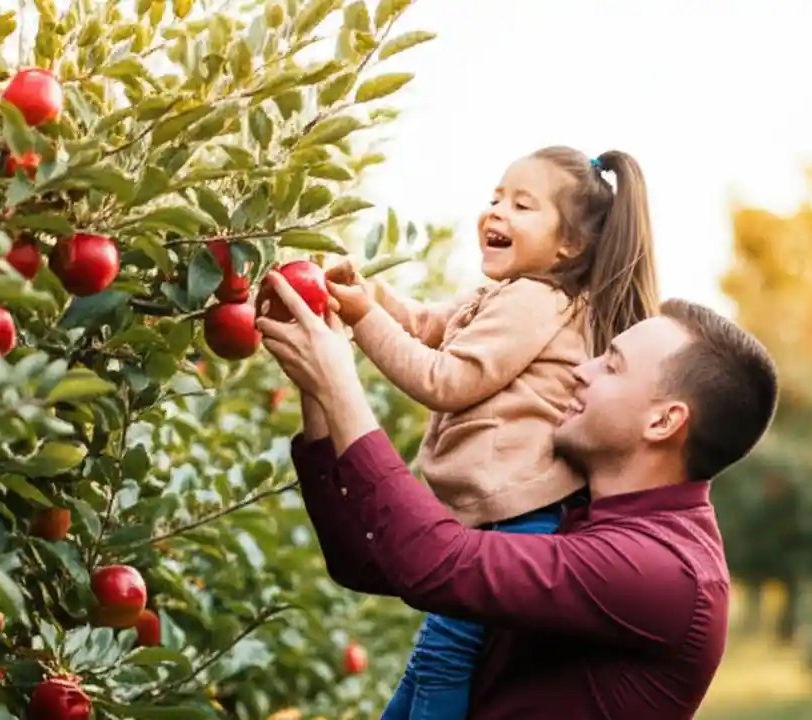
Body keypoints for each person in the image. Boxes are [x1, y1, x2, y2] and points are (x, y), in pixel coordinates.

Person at [254, 271, 779, 719]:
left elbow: (433, 563)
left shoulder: (663, 572)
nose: (581, 370)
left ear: (664, 421)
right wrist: (318, 392)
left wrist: (341, 384)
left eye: (611, 365)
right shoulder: (568, 510)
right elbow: (368, 561)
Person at [321, 147, 660, 719]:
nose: (496, 212)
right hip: (504, 515)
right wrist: (375, 296)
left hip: (515, 517)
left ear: (569, 246)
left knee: (442, 658)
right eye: (495, 197)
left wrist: (361, 320)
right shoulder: (508, 295)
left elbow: (445, 378)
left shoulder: (535, 300)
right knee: (436, 659)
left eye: (522, 205)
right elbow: (433, 326)